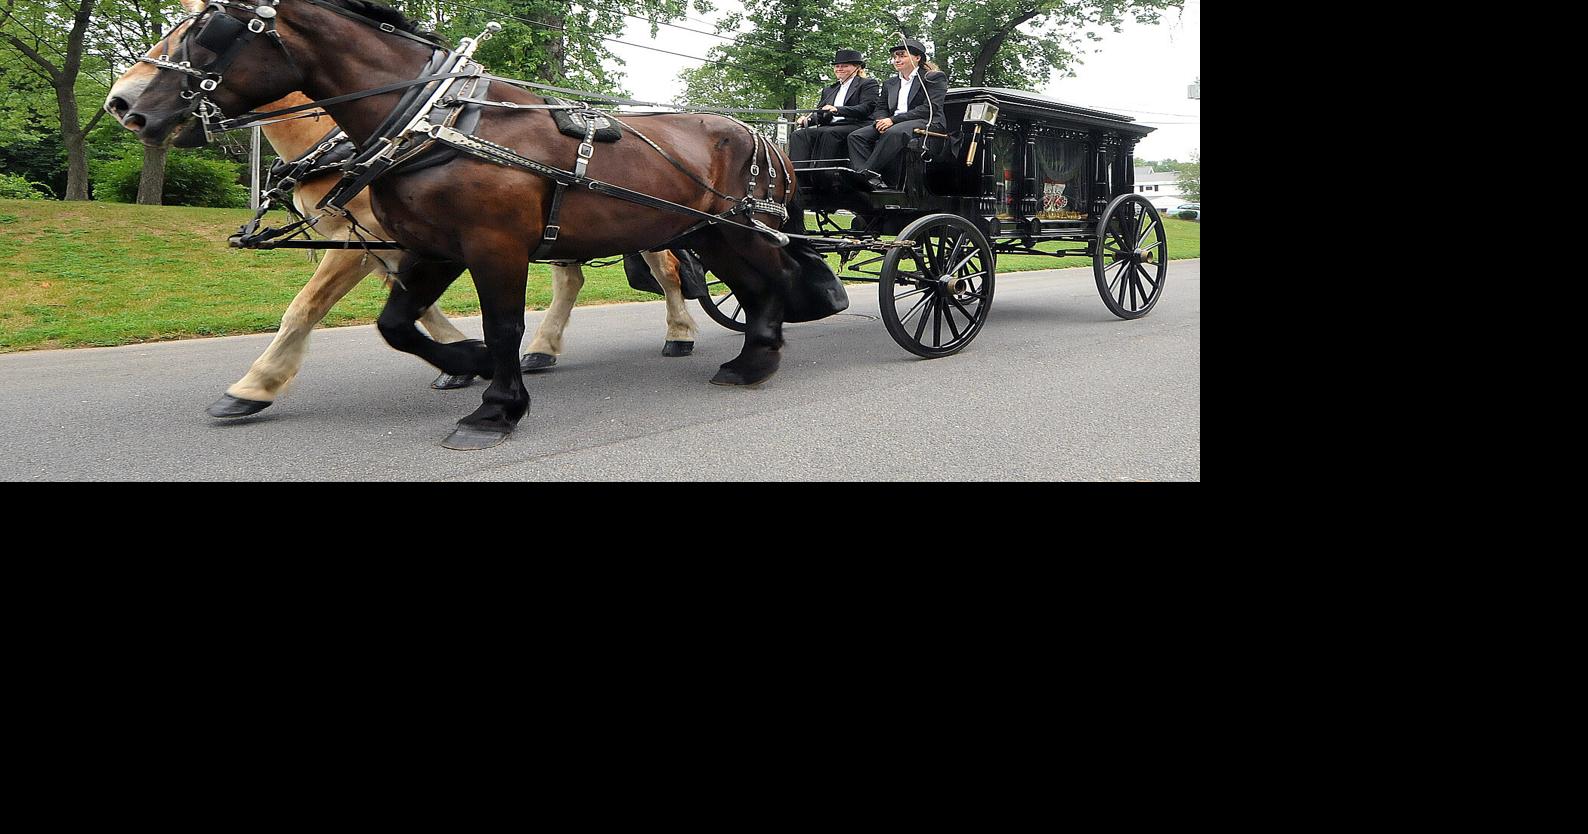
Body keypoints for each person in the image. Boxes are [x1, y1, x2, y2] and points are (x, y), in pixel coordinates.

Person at [845, 37, 948, 191]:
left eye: (902, 55)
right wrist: (881, 120)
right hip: (895, 122)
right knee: (856, 136)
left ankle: (866, 174)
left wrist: (893, 120)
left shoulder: (933, 77)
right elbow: (880, 107)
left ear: (917, 58)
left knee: (893, 132)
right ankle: (871, 179)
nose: (897, 60)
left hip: (927, 121)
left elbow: (929, 108)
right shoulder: (890, 83)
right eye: (895, 57)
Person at [788, 49, 880, 173]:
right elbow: (821, 114)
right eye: (837, 66)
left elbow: (867, 108)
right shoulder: (830, 90)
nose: (839, 69)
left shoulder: (868, 84)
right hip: (832, 125)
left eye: (844, 66)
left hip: (857, 124)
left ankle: (822, 173)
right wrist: (808, 120)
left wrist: (838, 110)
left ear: (857, 68)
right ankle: (797, 174)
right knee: (799, 134)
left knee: (830, 133)